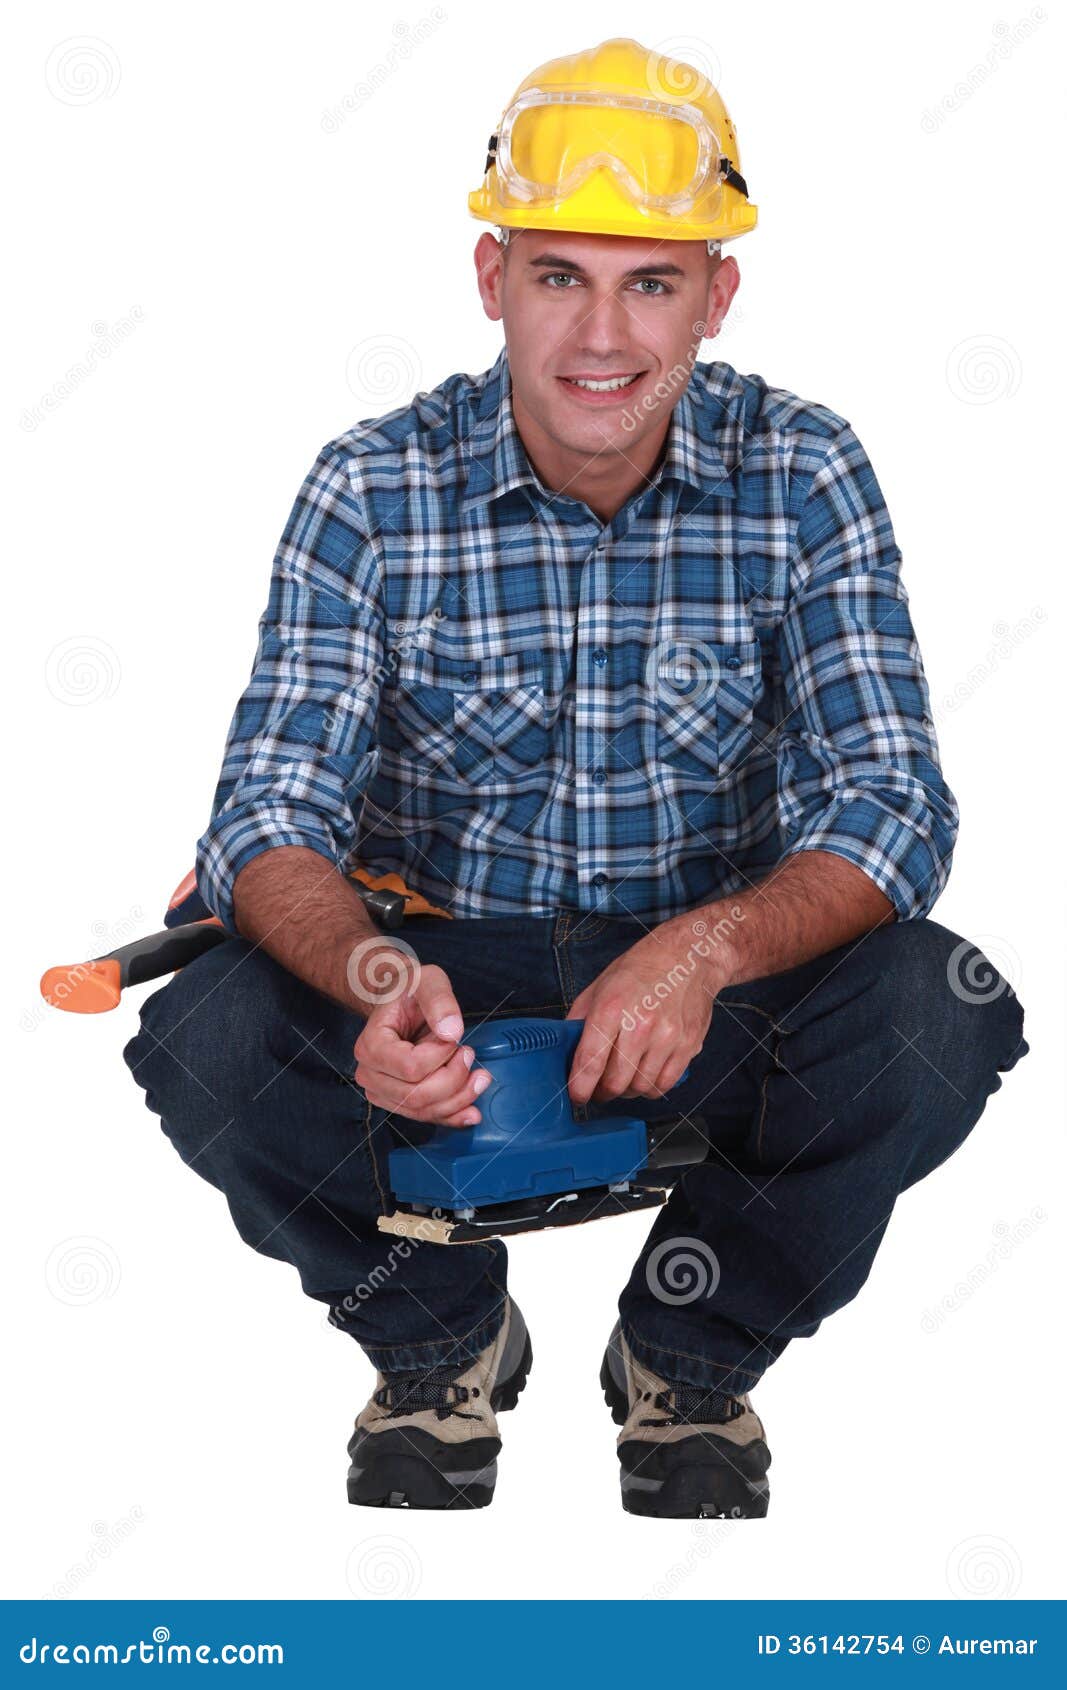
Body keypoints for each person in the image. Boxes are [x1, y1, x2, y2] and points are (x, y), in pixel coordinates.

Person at [124, 36, 1028, 1518]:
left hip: (707, 998)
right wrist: (366, 973)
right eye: (559, 276)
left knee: (943, 1010)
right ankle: (439, 1341)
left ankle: (688, 1351)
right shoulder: (373, 486)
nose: (602, 334)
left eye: (651, 282)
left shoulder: (803, 472)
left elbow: (894, 800)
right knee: (205, 1032)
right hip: (444, 993)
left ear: (716, 296)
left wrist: (702, 951)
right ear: (493, 278)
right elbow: (269, 810)